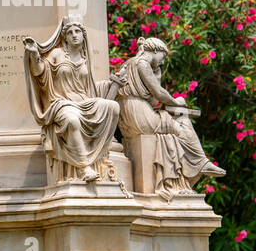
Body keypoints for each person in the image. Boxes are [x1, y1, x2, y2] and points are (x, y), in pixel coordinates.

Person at [117, 37, 225, 196]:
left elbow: (153, 101)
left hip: (131, 114)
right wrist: (177, 102)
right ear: (155, 50)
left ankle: (199, 165)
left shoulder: (130, 63)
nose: (162, 62)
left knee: (176, 122)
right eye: (163, 57)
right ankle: (199, 163)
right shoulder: (142, 64)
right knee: (182, 121)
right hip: (139, 113)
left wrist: (158, 76)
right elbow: (159, 94)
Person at [22, 18, 125, 183]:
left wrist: (114, 84)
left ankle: (98, 155)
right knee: (71, 119)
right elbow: (39, 72)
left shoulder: (86, 58)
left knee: (112, 107)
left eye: (77, 31)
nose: (74, 35)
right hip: (61, 103)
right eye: (70, 32)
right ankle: (85, 168)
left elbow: (90, 88)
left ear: (83, 35)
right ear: (65, 37)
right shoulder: (57, 54)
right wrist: (34, 54)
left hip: (84, 102)